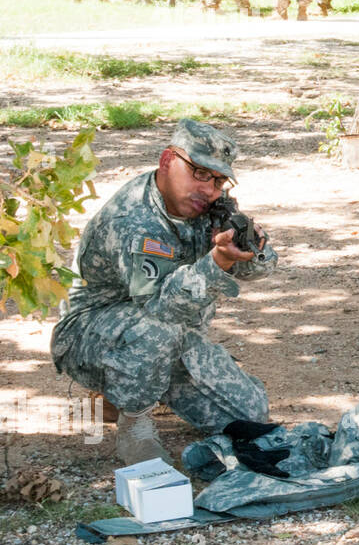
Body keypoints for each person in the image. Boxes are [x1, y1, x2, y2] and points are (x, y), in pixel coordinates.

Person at [50, 119, 277, 465]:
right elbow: (161, 308)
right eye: (199, 173)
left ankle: (121, 389)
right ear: (167, 161)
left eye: (218, 180)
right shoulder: (134, 221)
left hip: (165, 333)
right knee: (158, 328)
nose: (210, 189)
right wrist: (217, 261)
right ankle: (134, 423)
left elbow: (261, 268)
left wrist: (247, 245)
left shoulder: (206, 206)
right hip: (90, 331)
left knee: (249, 414)